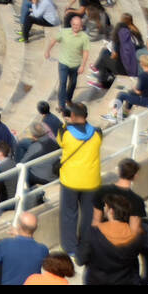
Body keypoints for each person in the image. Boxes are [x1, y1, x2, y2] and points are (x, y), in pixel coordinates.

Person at [57, 102, 102, 261]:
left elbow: (60, 142)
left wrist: (65, 122)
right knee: (89, 214)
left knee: (69, 214)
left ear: (73, 116)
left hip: (71, 180)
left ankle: (70, 247)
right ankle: (86, 244)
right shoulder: (97, 132)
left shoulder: (65, 133)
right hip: (91, 180)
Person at [79, 193, 143, 285]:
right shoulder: (136, 235)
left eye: (105, 206)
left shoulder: (93, 232)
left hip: (97, 281)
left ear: (111, 211)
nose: (104, 208)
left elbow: (81, 259)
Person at [0, 210, 48, 285]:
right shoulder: (43, 250)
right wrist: (19, 234)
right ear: (36, 228)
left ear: (19, 226)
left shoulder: (4, 244)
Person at [45, 15, 91, 108]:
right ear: (71, 24)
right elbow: (54, 40)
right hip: (63, 62)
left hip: (75, 64)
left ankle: (68, 99)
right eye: (74, 24)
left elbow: (86, 52)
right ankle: (62, 105)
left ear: (81, 25)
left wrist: (83, 65)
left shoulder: (84, 37)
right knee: (62, 83)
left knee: (73, 83)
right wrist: (47, 50)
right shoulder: (64, 32)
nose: (75, 26)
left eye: (77, 25)